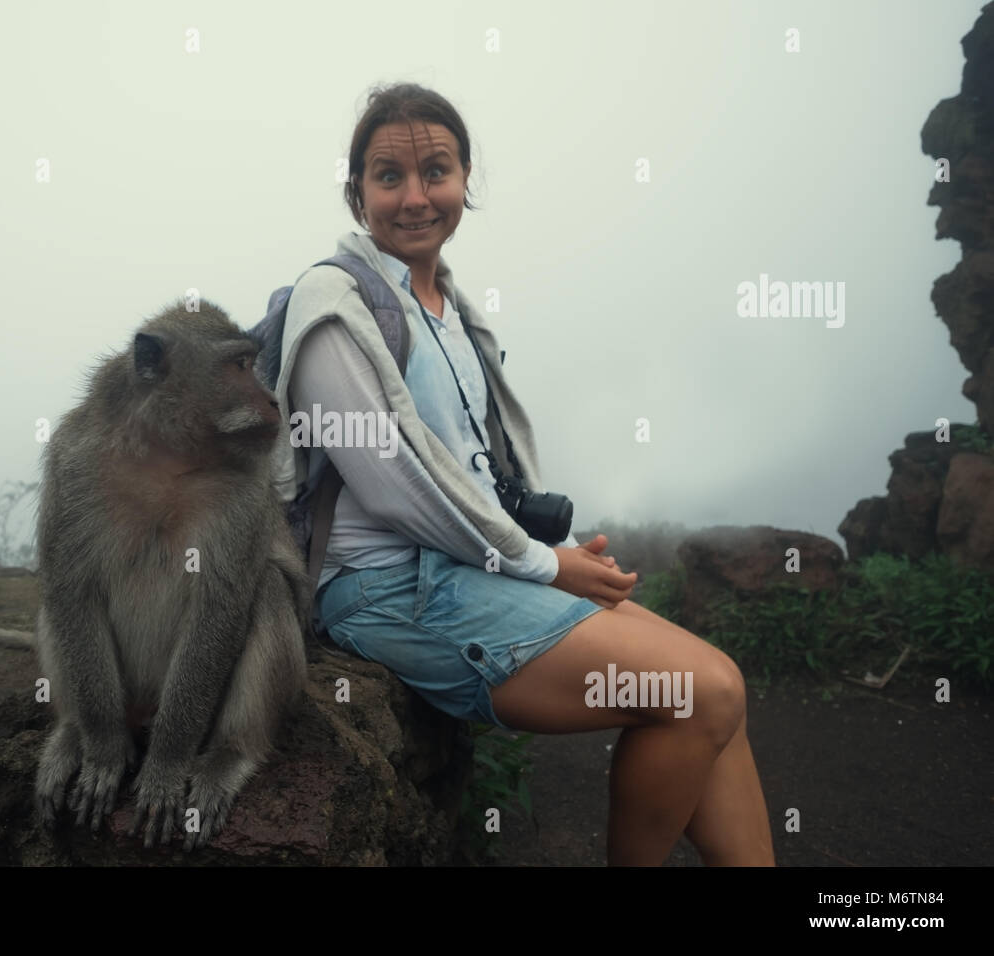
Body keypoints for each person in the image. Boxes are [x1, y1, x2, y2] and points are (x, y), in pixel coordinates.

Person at [273, 83, 775, 867]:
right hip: (386, 588)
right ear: (356, 191)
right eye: (387, 175)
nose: (415, 197)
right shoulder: (332, 303)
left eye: (435, 171)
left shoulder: (454, 311)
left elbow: (486, 472)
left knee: (725, 694)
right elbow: (390, 485)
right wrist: (544, 565)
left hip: (472, 567)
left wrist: (571, 549)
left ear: (467, 181)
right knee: (695, 696)